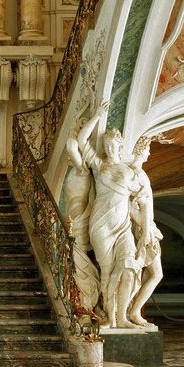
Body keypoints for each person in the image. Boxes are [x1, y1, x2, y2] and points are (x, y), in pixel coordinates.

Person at [83, 110, 141, 330]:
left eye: (113, 146)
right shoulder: (100, 166)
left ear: (120, 147)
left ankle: (123, 316)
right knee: (106, 272)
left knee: (128, 268)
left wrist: (146, 226)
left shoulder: (130, 171)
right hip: (101, 225)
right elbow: (79, 141)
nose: (109, 150)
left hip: (123, 225)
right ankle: (111, 318)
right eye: (106, 147)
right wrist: (96, 116)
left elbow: (142, 198)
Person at [60, 102, 107, 315]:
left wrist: (93, 117)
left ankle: (85, 303)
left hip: (77, 222)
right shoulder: (77, 170)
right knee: (78, 264)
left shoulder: (81, 171)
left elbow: (72, 145)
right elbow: (74, 145)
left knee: (79, 264)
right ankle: (84, 303)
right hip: (73, 221)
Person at [127, 137, 163, 327]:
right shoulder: (136, 174)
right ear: (139, 150)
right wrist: (147, 230)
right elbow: (134, 208)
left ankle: (132, 311)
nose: (149, 153)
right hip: (143, 229)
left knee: (145, 274)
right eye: (147, 149)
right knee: (155, 274)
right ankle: (133, 312)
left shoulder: (138, 174)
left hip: (145, 227)